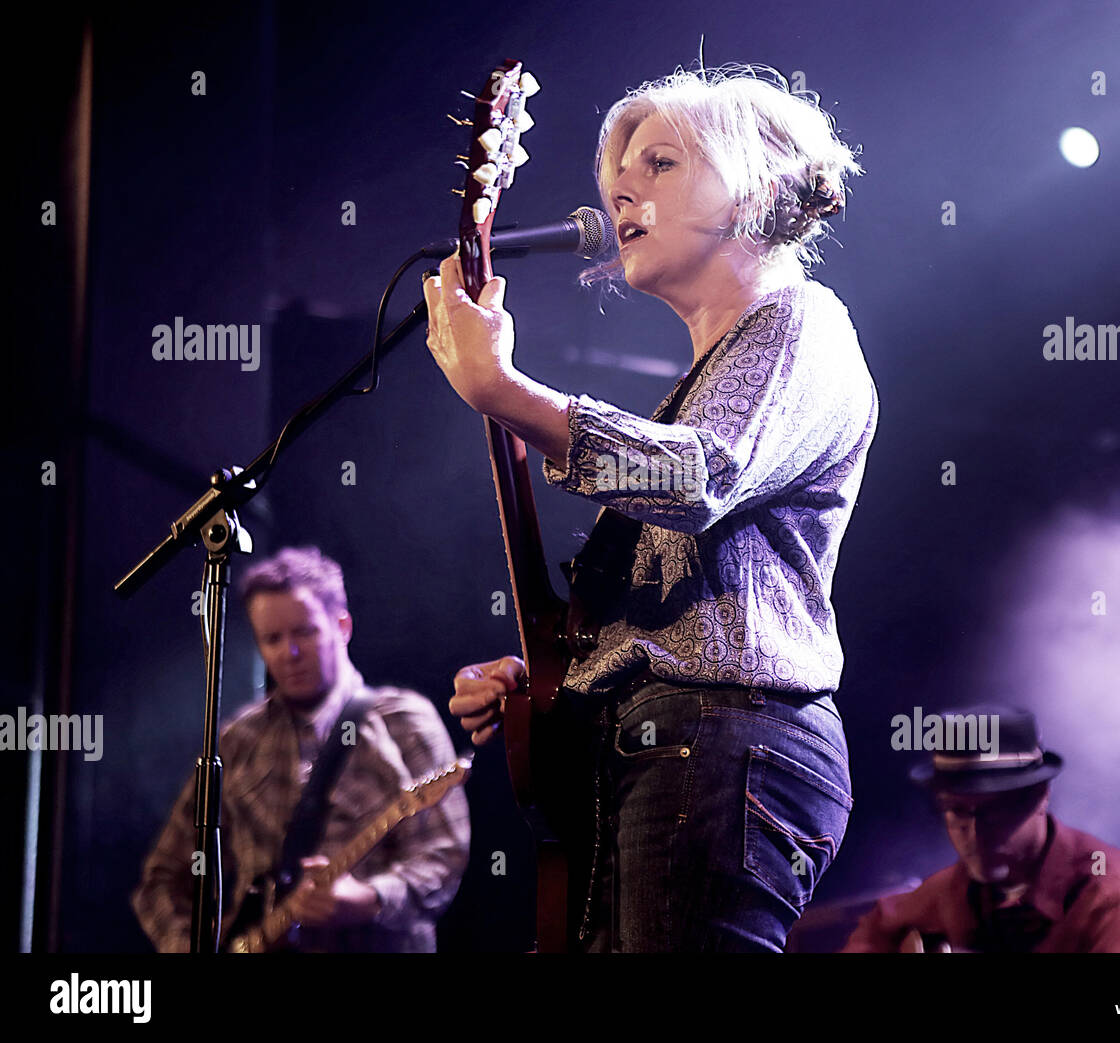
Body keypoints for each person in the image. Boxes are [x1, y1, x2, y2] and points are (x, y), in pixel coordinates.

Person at [425, 65, 876, 951]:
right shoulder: (707, 378)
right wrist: (566, 678)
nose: (624, 189)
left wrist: (506, 391)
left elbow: (697, 479)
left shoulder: (801, 321)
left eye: (662, 163)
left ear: (760, 187)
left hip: (718, 740)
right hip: (657, 745)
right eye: (617, 178)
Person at [131, 546, 470, 952]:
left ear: (342, 626)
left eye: (304, 632)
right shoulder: (238, 739)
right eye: (272, 639)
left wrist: (369, 899)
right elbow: (162, 879)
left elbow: (444, 855)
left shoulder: (403, 721)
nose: (288, 653)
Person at [840, 706, 1120, 953]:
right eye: (956, 810)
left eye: (994, 811)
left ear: (1040, 797)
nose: (973, 834)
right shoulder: (957, 888)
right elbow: (877, 927)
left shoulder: (1116, 902)